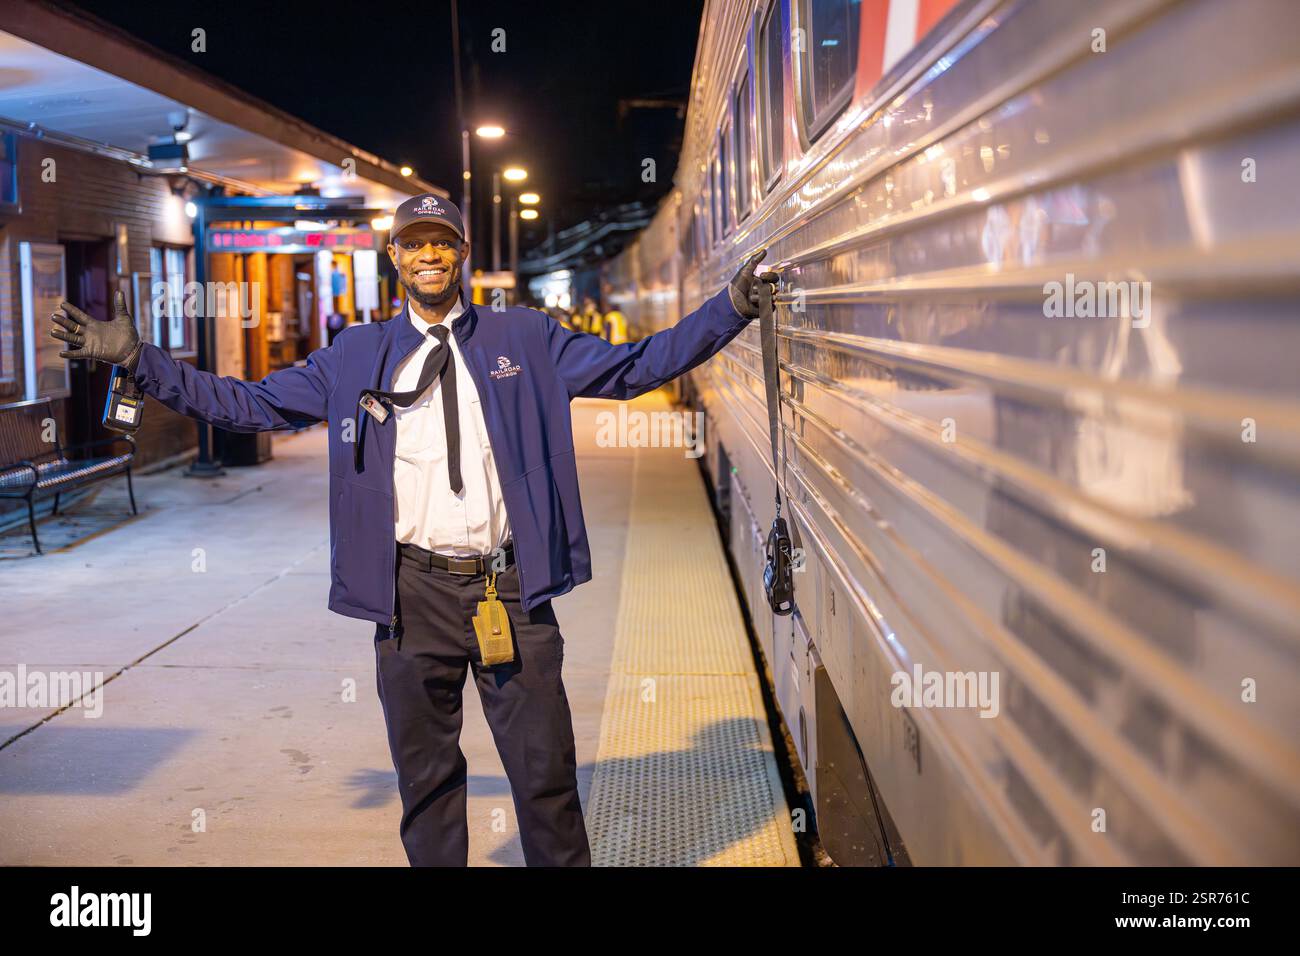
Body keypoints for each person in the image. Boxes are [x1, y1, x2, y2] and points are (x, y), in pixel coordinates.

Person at [49, 192, 777, 868]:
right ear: (393, 257)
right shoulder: (355, 356)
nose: (430, 256)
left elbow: (632, 367)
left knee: (546, 779)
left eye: (443, 243)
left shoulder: (524, 336)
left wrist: (729, 309)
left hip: (511, 591)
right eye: (414, 244)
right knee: (425, 784)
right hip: (409, 595)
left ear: (461, 254)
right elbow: (248, 405)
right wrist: (140, 361)